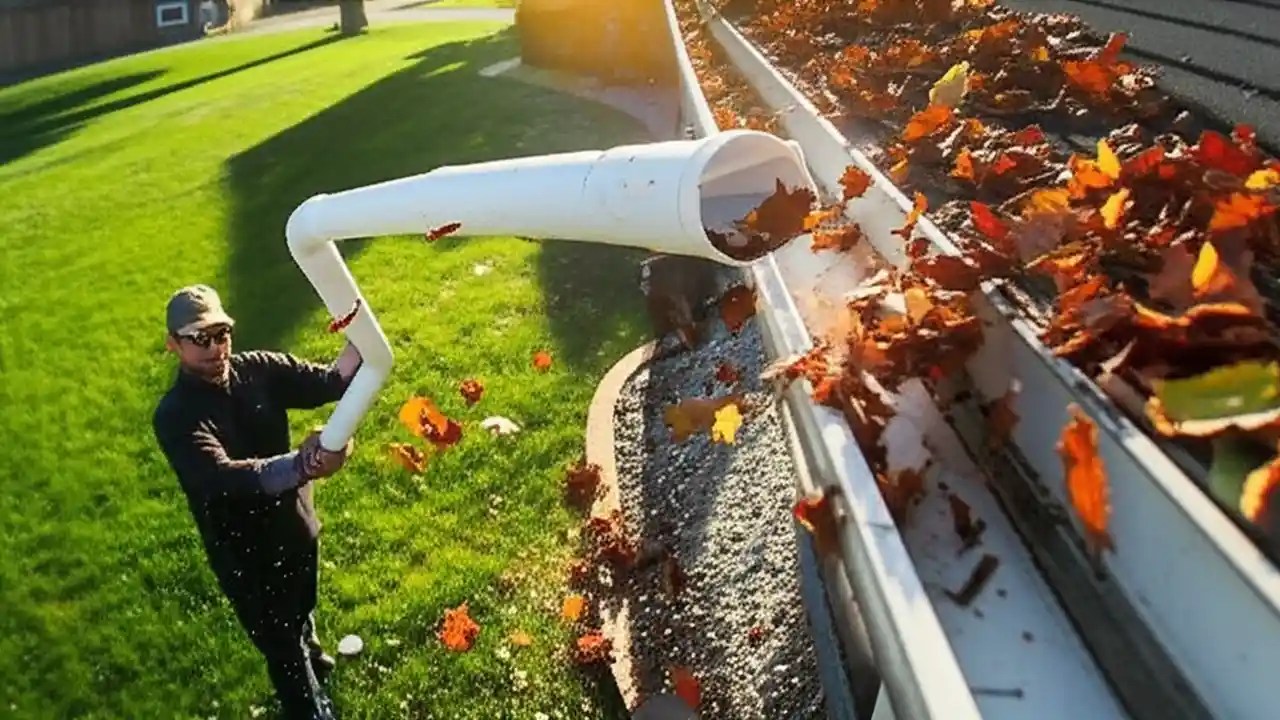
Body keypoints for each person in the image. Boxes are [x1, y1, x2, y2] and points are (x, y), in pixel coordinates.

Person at [152, 284, 362, 720]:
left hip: (295, 526)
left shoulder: (259, 369)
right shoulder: (175, 415)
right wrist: (303, 465)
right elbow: (221, 476)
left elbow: (332, 382)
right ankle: (308, 709)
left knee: (302, 607)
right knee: (280, 643)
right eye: (200, 339)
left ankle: (313, 655)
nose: (216, 349)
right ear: (173, 344)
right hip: (246, 553)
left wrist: (361, 327)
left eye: (222, 334)